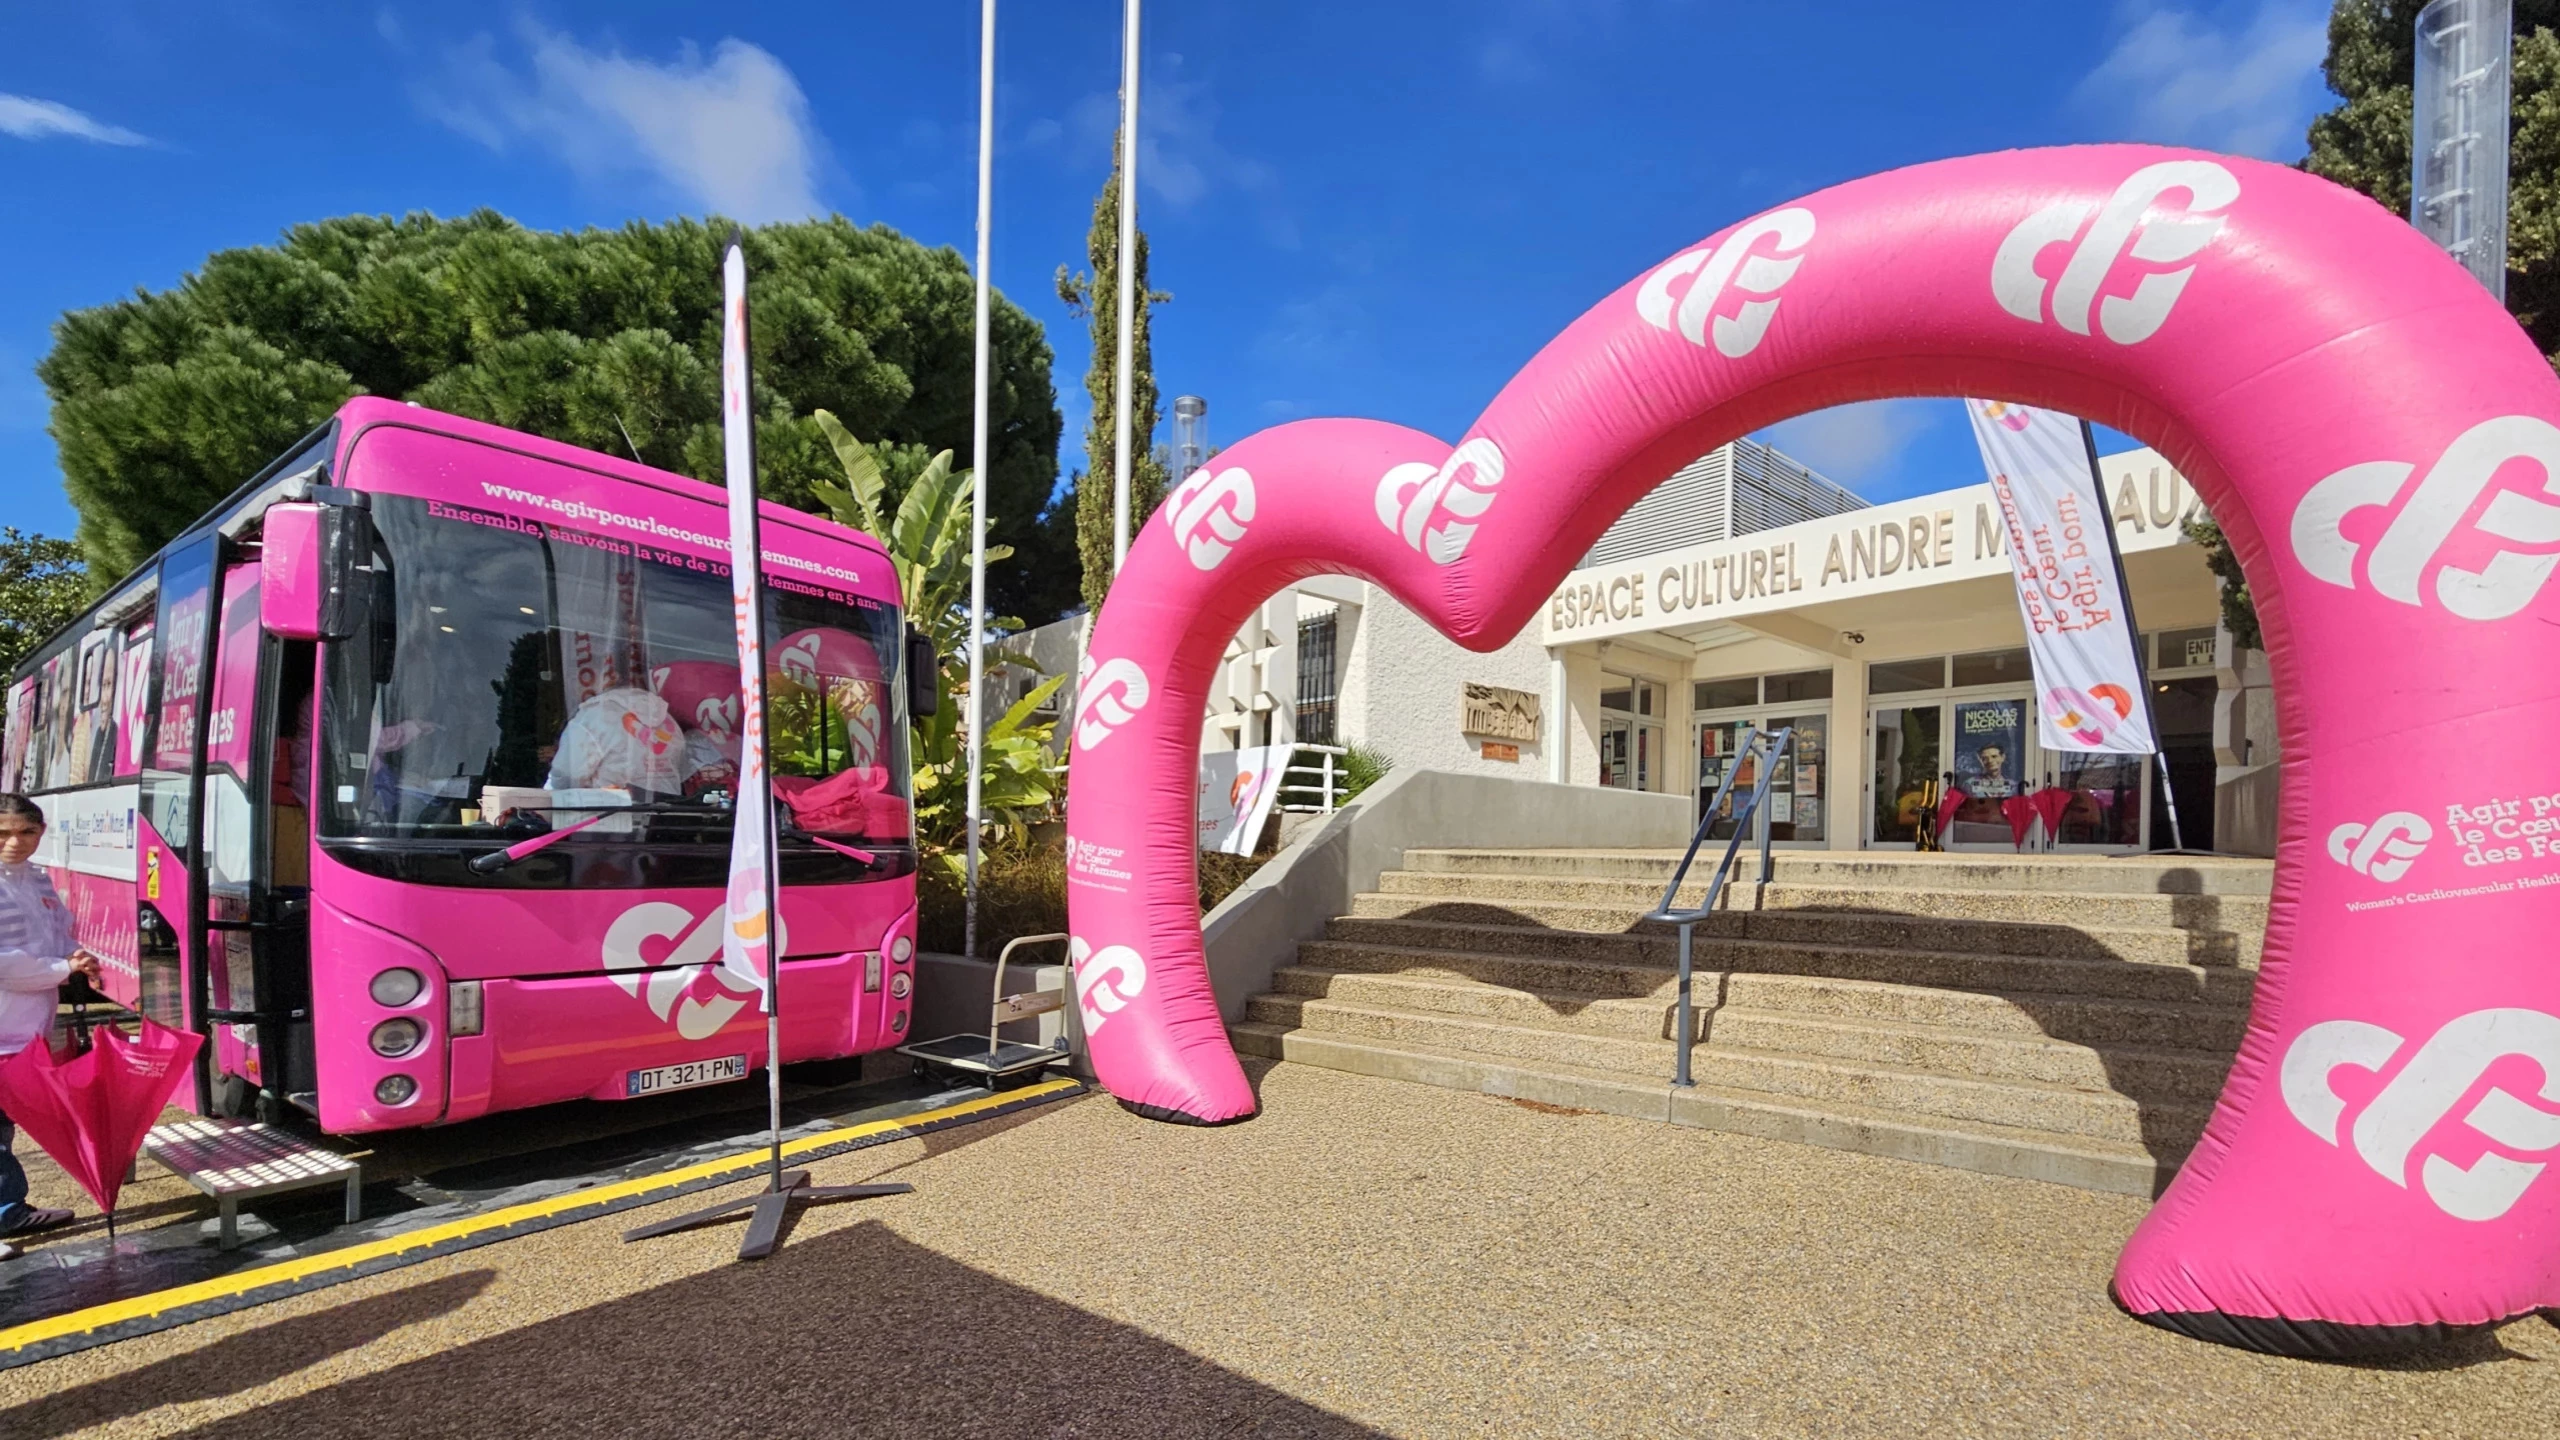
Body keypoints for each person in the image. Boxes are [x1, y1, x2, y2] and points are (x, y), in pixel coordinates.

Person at [0, 794, 100, 1259]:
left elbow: (58, 933)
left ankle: (8, 1210)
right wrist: (63, 968)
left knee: (2, 1127)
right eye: (2, 833)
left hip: (23, 1031)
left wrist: (77, 955)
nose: (14, 843)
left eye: (26, 832)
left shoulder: (37, 880)